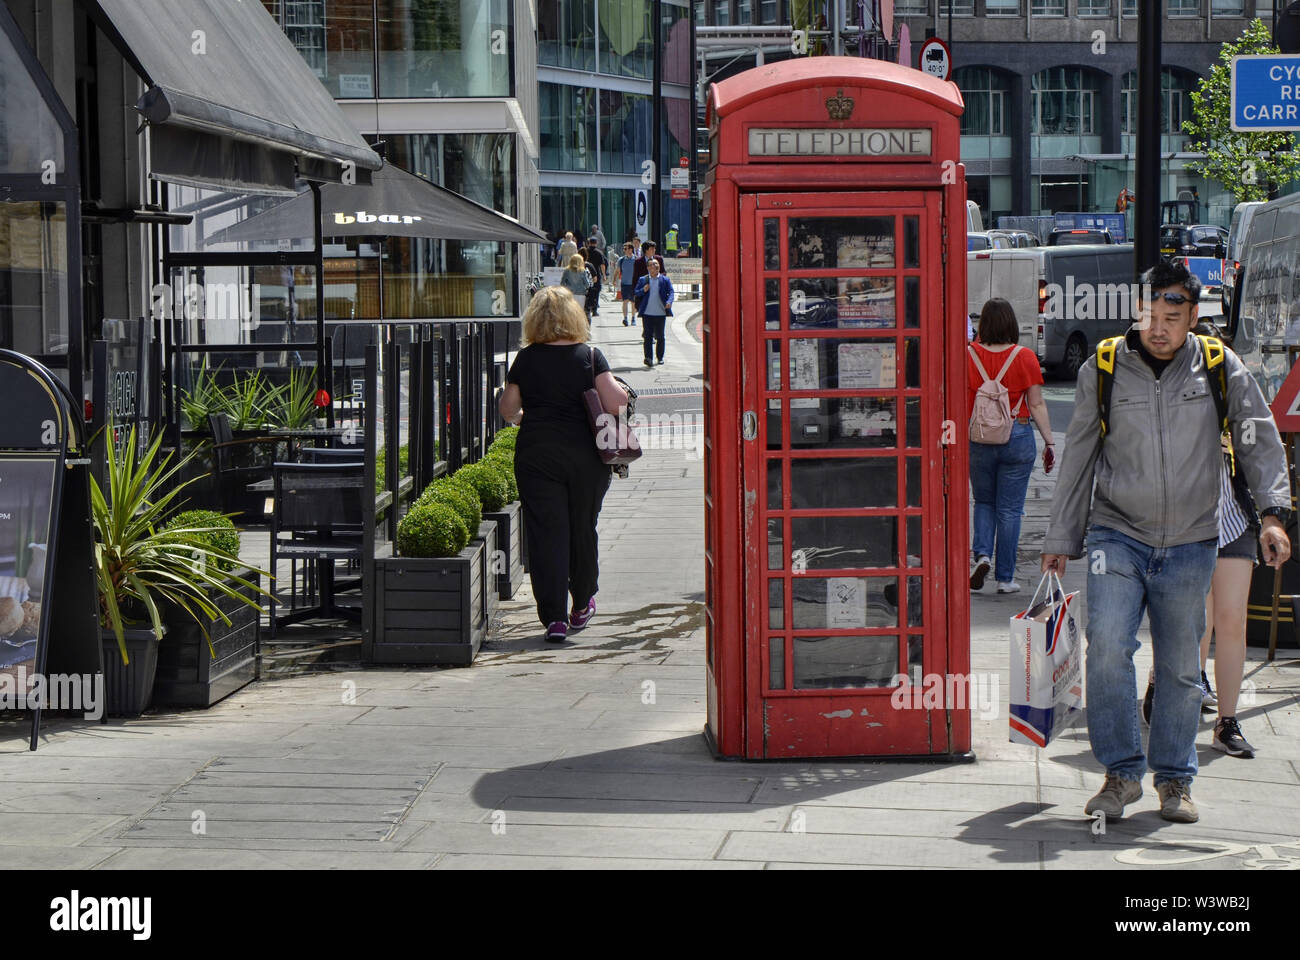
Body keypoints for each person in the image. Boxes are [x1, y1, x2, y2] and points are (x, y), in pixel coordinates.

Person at [1041, 258, 1291, 824]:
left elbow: (1258, 438)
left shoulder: (1220, 367)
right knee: (1106, 646)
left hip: (1191, 539)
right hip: (1116, 531)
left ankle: (1175, 780)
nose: (1158, 327)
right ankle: (1122, 774)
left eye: (1171, 316)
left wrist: (1274, 515)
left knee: (1181, 665)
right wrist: (1061, 536)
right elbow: (1078, 456)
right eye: (1149, 313)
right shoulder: (1104, 368)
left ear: (1193, 316)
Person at [1141, 321, 1263, 758]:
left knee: (1232, 621)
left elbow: (1260, 450)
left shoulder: (1237, 392)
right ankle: (1165, 685)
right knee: (1193, 622)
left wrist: (1273, 514)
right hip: (1183, 524)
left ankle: (1227, 723)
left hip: (1232, 518)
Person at [498, 287, 628, 642]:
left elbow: (508, 410)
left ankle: (554, 619)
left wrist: (528, 415)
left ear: (534, 319)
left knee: (546, 533)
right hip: (586, 457)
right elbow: (616, 403)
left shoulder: (526, 359)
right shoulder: (589, 356)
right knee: (583, 527)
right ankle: (582, 604)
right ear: (575, 317)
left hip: (537, 456)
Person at [967, 298, 1054, 594]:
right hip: (1017, 435)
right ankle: (1005, 578)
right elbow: (1037, 403)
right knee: (1010, 510)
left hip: (978, 437)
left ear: (983, 326)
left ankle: (981, 556)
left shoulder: (967, 355)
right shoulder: (1025, 356)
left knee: (984, 502)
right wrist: (1049, 441)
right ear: (1012, 324)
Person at [633, 255, 674, 367]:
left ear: (659, 267)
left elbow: (671, 292)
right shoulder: (643, 280)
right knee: (647, 337)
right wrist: (643, 289)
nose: (654, 266)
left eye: (656, 264)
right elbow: (636, 292)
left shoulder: (665, 280)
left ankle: (660, 357)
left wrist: (669, 302)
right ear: (648, 268)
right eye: (651, 265)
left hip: (660, 313)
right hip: (647, 313)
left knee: (660, 336)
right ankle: (648, 358)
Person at [581, 237, 607, 317]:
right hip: (595, 274)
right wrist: (604, 275)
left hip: (584, 273)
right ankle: (594, 310)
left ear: (589, 243)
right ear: (596, 243)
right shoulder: (599, 252)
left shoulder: (585, 251)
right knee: (596, 292)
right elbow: (602, 265)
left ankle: (586, 308)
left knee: (586, 292)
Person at [615, 241, 639, 326]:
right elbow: (617, 271)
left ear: (631, 249)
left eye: (627, 248)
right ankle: (625, 318)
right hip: (624, 284)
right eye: (624, 249)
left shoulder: (636, 259)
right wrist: (614, 280)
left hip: (633, 284)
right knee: (625, 301)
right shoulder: (621, 260)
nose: (625, 250)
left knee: (633, 302)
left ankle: (633, 318)